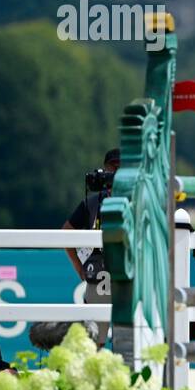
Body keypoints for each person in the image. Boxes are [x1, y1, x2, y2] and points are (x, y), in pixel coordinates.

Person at [62, 148, 120, 345]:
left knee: (128, 341)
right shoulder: (93, 203)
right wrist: (79, 267)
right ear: (104, 171)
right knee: (95, 341)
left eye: (121, 169)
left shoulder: (139, 200)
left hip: (128, 276)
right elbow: (66, 233)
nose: (116, 174)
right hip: (100, 276)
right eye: (112, 168)